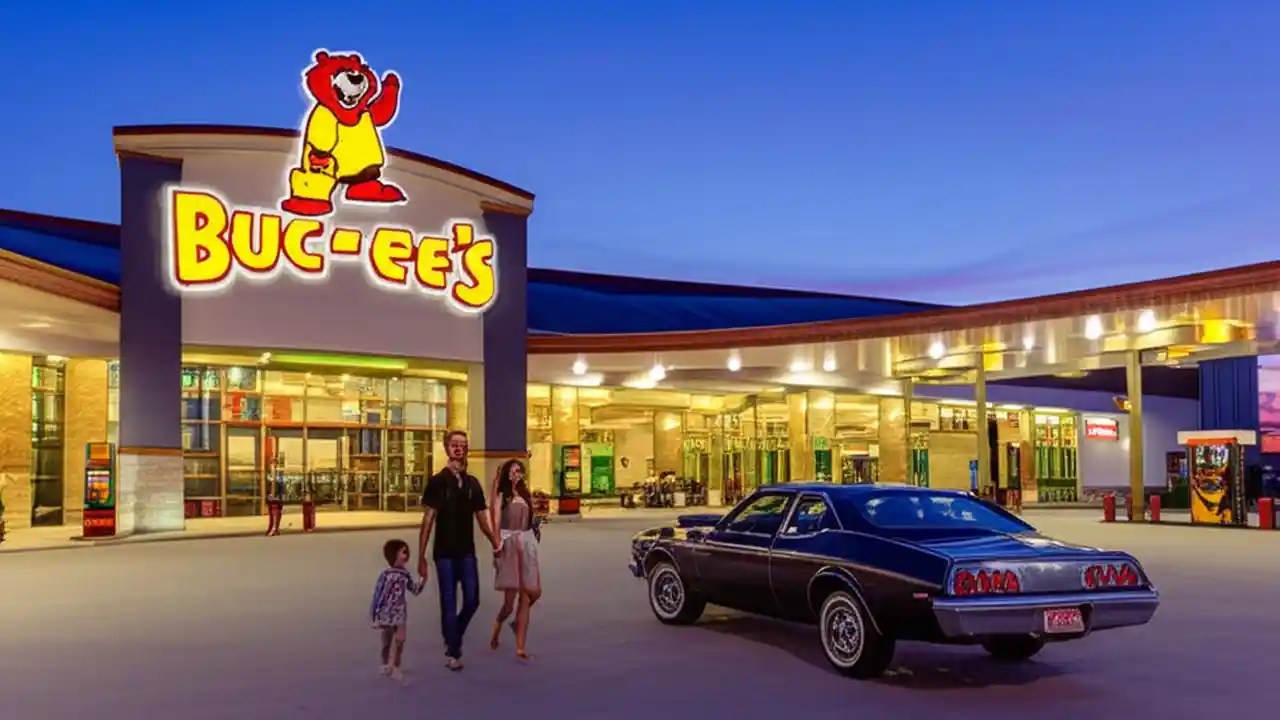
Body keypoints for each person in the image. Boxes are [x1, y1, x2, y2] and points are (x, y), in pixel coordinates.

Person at [417, 429, 500, 671]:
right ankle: (453, 650)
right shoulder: (437, 482)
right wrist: (421, 556)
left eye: (463, 444)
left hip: (466, 552)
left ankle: (454, 635)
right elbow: (428, 520)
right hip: (443, 553)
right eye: (454, 444)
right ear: (446, 448)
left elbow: (482, 519)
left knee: (473, 600)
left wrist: (496, 543)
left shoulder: (473, 484)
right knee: (449, 601)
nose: (459, 448)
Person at [487, 459, 543, 659]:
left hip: (526, 544)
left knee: (532, 593)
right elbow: (493, 519)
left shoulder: (525, 494)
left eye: (519, 470)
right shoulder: (502, 495)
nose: (516, 474)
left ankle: (520, 646)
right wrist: (496, 546)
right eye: (512, 471)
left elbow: (531, 521)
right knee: (509, 603)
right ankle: (499, 624)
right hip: (508, 544)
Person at [370, 539, 426, 683]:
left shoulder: (405, 574)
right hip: (387, 612)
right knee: (387, 639)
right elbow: (379, 594)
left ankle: (395, 665)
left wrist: (422, 579)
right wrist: (375, 613)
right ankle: (385, 663)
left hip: (400, 612)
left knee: (400, 639)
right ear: (394, 555)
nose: (407, 556)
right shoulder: (386, 575)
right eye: (403, 552)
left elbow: (415, 590)